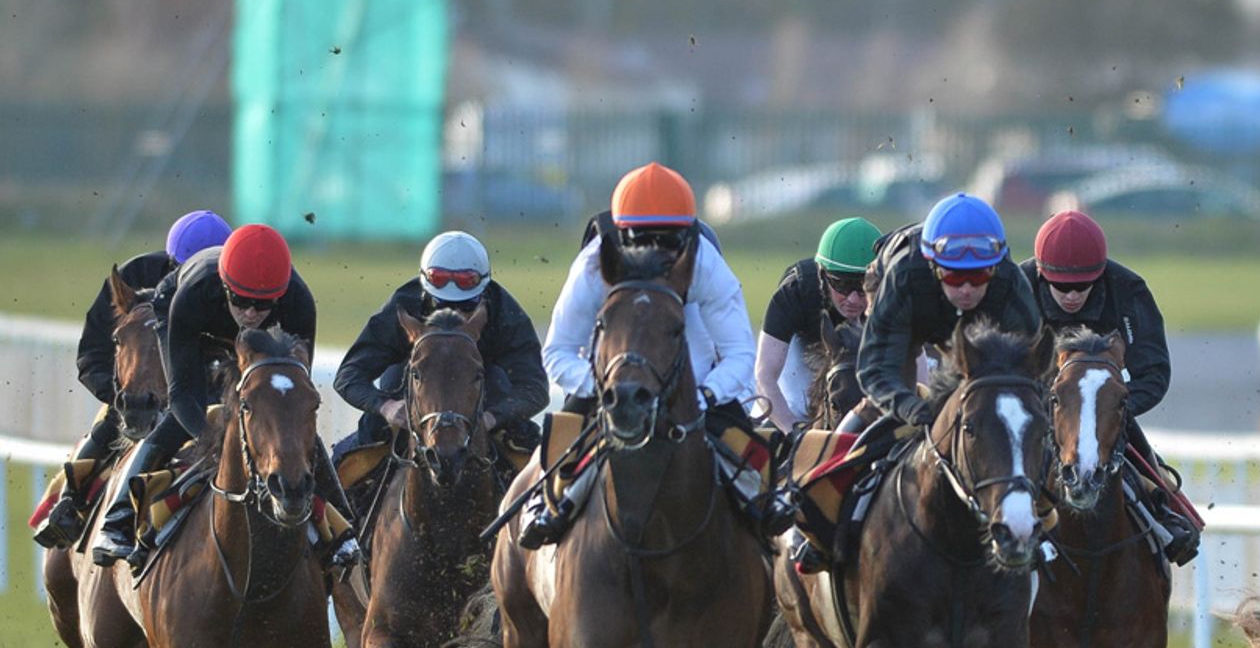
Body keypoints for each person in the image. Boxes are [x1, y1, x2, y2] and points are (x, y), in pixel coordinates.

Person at [522, 161, 789, 547]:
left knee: (747, 450)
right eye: (643, 238)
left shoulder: (705, 264)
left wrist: (702, 396)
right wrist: (605, 389)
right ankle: (544, 504)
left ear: (687, 235)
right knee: (565, 438)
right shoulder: (594, 265)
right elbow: (559, 350)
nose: (655, 251)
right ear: (622, 235)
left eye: (667, 240)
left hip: (692, 377)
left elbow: (738, 353)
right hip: (612, 376)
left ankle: (763, 502)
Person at [90, 223, 359, 569]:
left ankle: (342, 532)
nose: (250, 314)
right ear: (226, 287)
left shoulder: (299, 303)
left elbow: (297, 392)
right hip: (187, 317)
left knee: (287, 420)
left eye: (262, 305)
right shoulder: (194, 294)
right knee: (181, 416)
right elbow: (182, 394)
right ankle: (117, 521)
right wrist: (213, 441)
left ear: (280, 296)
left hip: (251, 336)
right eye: (242, 302)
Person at [34, 210, 232, 547]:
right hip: (139, 394)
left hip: (209, 397)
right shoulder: (133, 275)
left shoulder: (235, 289)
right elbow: (92, 355)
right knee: (112, 421)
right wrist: (121, 396)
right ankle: (69, 503)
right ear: (173, 264)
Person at [1022, 209, 1200, 565]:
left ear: (1100, 276)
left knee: (1131, 448)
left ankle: (1170, 515)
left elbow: (1154, 372)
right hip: (1035, 402)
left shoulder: (1128, 290)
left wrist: (1106, 410)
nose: (1072, 296)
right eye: (1061, 287)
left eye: (1081, 287)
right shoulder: (1017, 286)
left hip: (1104, 405)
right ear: (1042, 275)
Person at [333, 231, 549, 467]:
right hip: (413, 396)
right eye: (441, 303)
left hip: (484, 397)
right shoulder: (402, 306)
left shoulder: (506, 315)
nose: (453, 314)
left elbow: (535, 388)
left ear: (483, 291)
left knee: (544, 462)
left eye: (466, 306)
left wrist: (490, 418)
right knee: (342, 464)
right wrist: (386, 407)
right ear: (425, 290)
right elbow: (348, 376)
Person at [844, 192, 1041, 434]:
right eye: (954, 276)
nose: (967, 289)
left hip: (974, 325)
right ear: (935, 268)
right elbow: (876, 369)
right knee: (887, 409)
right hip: (903, 299)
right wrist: (910, 408)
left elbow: (1029, 373)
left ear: (995, 267)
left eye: (978, 276)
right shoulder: (904, 278)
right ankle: (839, 450)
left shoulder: (1011, 286)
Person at [755, 217, 881, 432]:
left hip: (865, 349)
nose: (852, 299)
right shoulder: (797, 290)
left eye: (863, 287)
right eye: (841, 284)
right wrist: (792, 431)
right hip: (805, 346)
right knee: (797, 406)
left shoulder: (889, 292)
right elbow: (763, 376)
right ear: (822, 275)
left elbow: (918, 371)